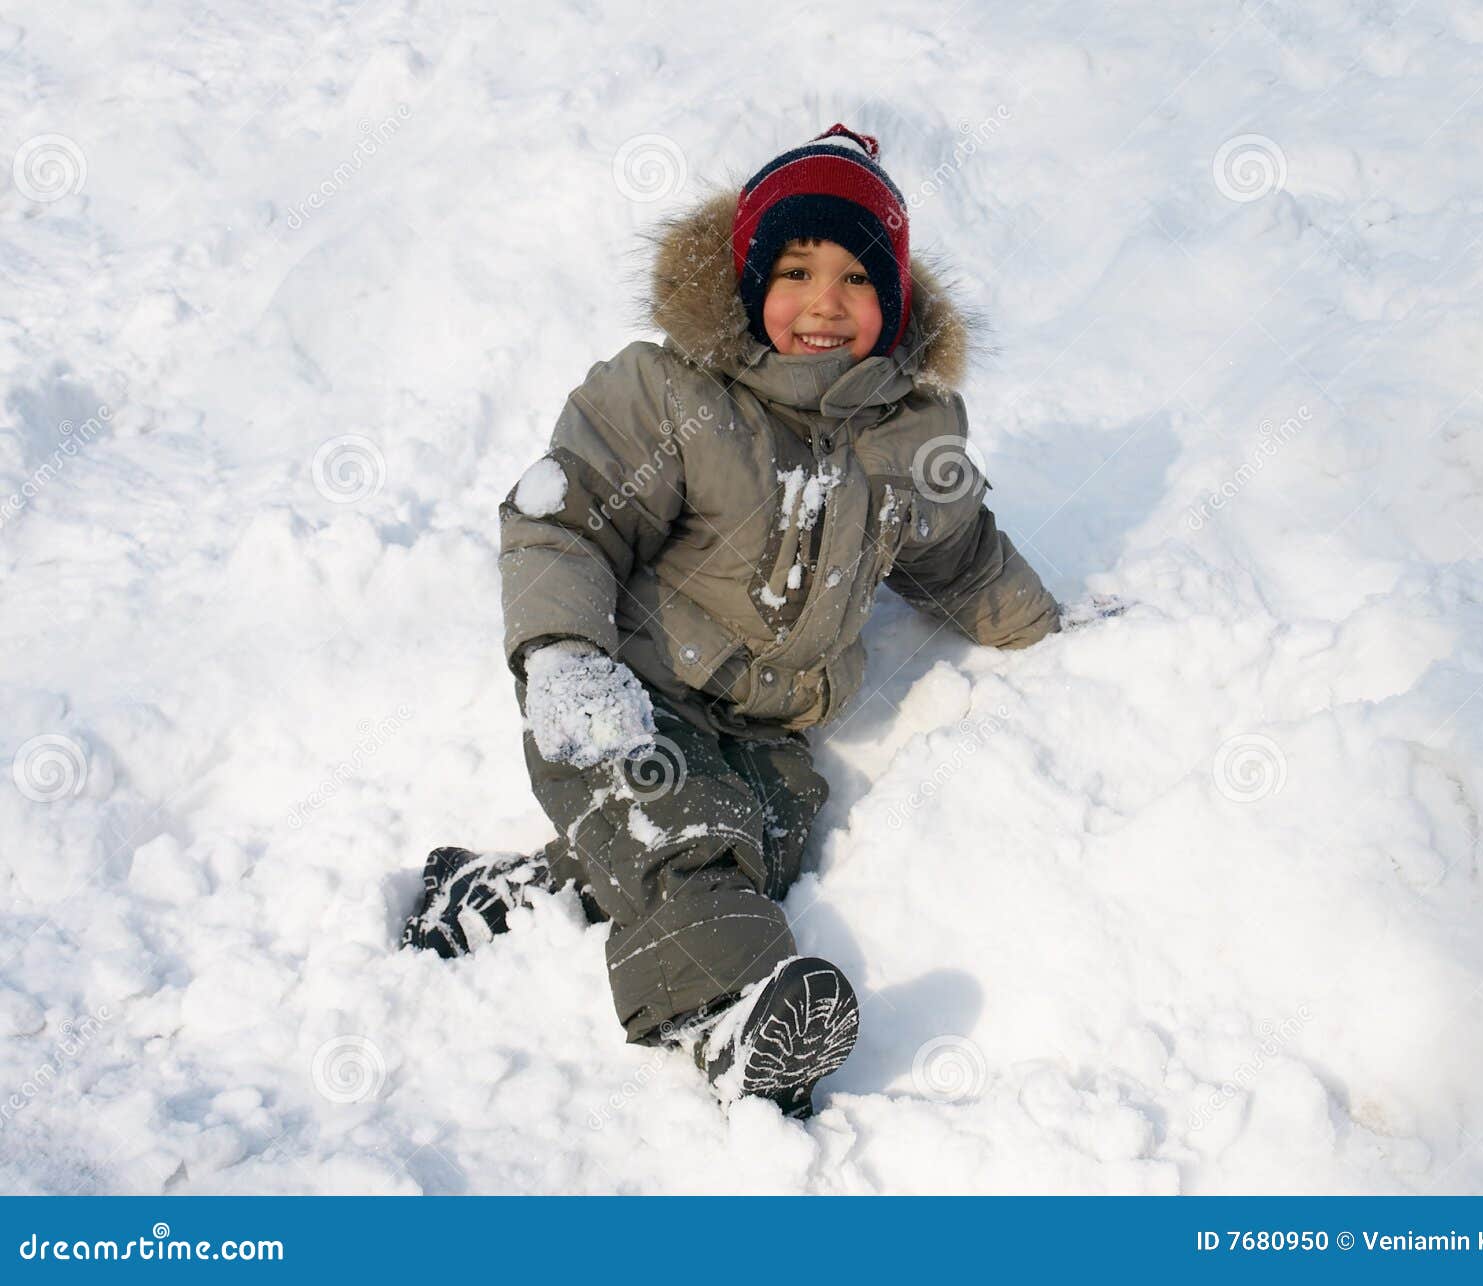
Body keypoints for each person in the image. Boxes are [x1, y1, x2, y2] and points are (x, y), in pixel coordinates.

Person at [403, 124, 1114, 1119]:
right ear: (747, 282)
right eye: (796, 271)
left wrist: (1055, 636)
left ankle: (504, 896)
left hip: (771, 730)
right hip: (629, 700)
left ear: (895, 300)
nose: (825, 302)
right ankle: (731, 1021)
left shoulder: (913, 435)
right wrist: (563, 652)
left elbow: (962, 557)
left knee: (750, 851)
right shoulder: (671, 397)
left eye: (857, 278)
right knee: (684, 834)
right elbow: (565, 519)